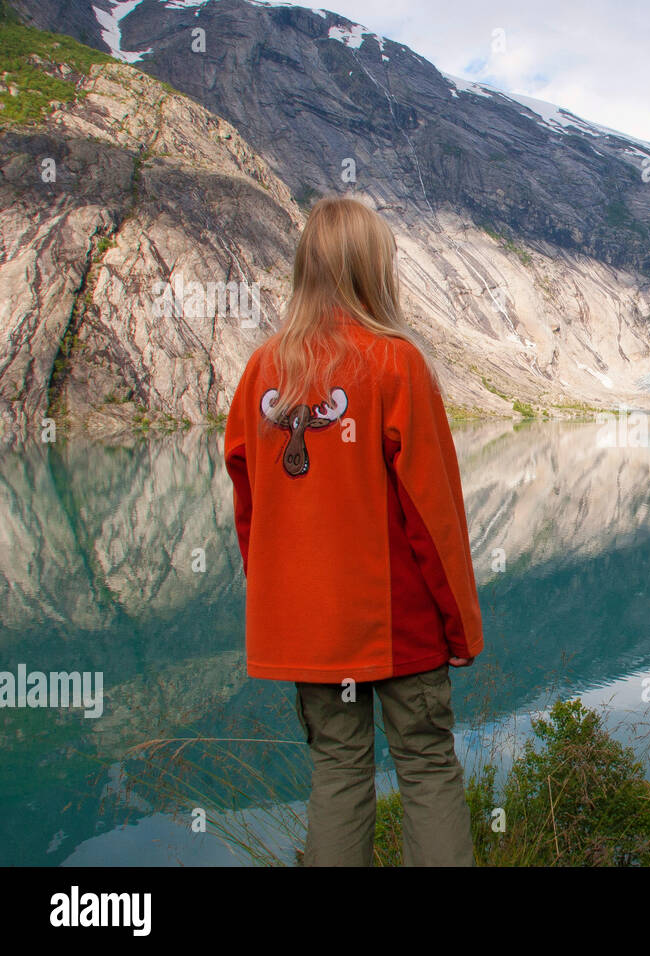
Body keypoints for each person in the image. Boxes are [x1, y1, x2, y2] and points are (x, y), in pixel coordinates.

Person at [223, 196, 482, 866]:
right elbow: (435, 517)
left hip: (311, 627)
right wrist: (460, 626)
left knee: (337, 770)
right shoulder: (396, 363)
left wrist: (285, 608)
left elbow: (249, 512)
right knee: (425, 765)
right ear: (374, 270)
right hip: (397, 623)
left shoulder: (260, 373)